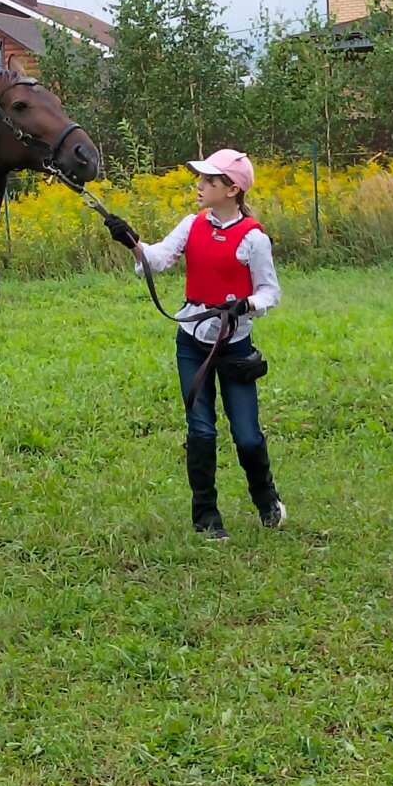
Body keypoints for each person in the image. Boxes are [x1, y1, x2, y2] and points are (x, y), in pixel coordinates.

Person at [104, 148, 285, 541]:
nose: (200, 186)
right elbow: (157, 259)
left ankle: (267, 499)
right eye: (201, 179)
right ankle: (206, 517)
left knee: (248, 435)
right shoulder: (191, 225)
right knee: (201, 431)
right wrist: (131, 241)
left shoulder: (253, 239)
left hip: (234, 347)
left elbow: (271, 291)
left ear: (233, 190)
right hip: (191, 343)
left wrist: (246, 304)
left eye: (209, 181)